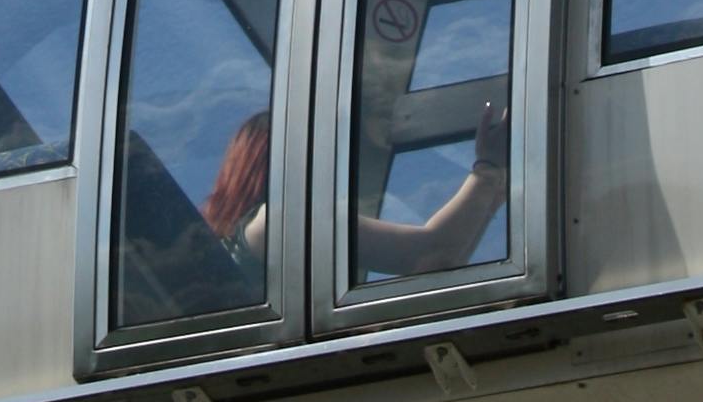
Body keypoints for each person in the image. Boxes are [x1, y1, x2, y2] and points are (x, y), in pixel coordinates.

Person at [201, 93, 509, 277]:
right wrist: (487, 168)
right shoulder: (277, 221)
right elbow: (428, 253)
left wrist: (491, 195)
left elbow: (443, 263)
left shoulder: (246, 238)